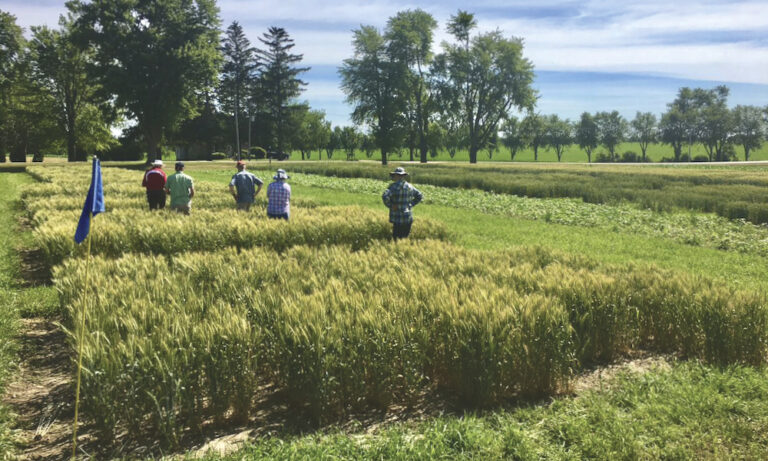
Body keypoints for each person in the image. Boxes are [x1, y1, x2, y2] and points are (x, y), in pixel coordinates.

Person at [382, 167, 423, 240]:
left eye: (394, 175)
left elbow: (385, 196)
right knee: (404, 239)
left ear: (398, 176)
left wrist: (391, 206)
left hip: (397, 218)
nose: (393, 177)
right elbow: (419, 196)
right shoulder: (410, 186)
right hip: (408, 218)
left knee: (396, 240)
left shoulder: (393, 187)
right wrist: (411, 204)